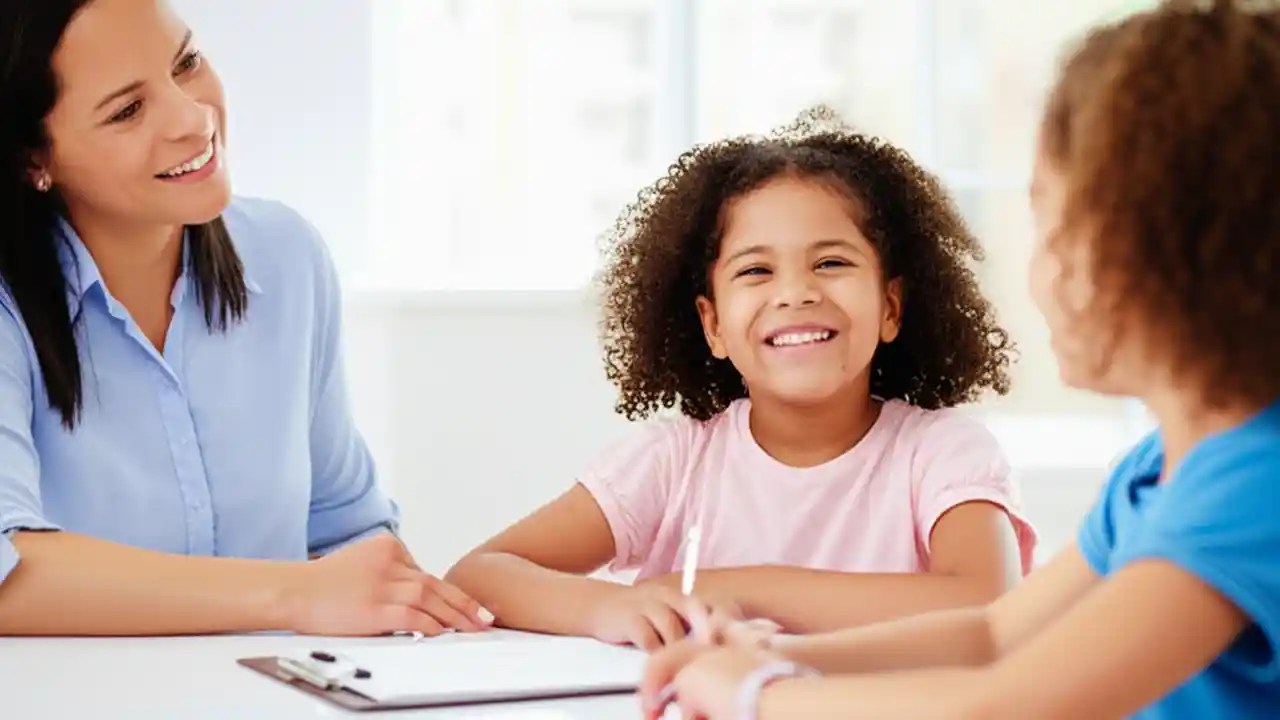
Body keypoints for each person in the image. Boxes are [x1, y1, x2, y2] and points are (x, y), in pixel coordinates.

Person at [640, 2, 1280, 718]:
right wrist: (776, 658)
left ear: (1174, 252)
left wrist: (760, 695)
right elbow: (995, 634)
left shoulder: (1254, 484)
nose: (1041, 271)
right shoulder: (1158, 470)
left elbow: (1004, 704)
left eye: (1056, 226)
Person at [446, 107, 1036, 651]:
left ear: (890, 307)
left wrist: (727, 588)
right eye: (756, 270)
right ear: (713, 326)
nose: (796, 292)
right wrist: (609, 606)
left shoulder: (942, 453)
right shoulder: (675, 461)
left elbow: (985, 601)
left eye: (830, 262)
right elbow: (480, 573)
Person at [0, 0, 491, 637]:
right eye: (127, 110)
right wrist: (293, 595)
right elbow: (9, 577)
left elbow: (345, 528)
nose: (191, 117)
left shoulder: (287, 256)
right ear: (34, 159)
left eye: (188, 63)